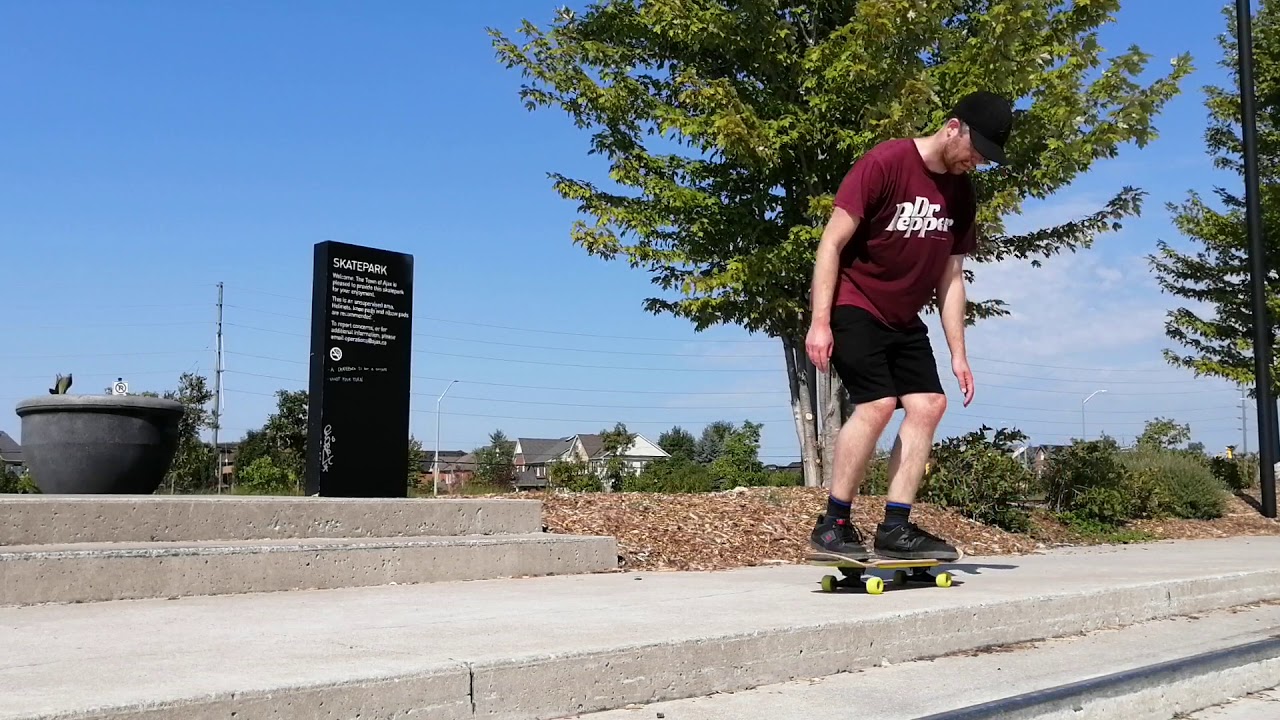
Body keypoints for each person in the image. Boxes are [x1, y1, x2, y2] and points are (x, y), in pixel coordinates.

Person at [805, 91, 1014, 562]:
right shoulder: (885, 162)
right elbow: (831, 244)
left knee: (928, 404)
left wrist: (959, 353)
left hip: (903, 317)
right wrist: (820, 322)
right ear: (953, 127)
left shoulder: (961, 192)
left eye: (986, 158)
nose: (978, 162)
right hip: (853, 302)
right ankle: (833, 524)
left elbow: (951, 277)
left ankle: (894, 528)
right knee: (878, 404)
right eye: (976, 151)